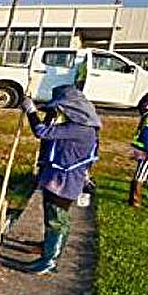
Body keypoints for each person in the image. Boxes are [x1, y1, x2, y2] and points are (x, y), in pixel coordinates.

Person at [20, 84, 101, 274]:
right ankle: (48, 248)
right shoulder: (81, 126)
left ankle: (49, 262)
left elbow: (41, 132)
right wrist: (43, 110)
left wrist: (31, 111)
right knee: (55, 217)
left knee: (56, 219)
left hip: (64, 181)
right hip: (59, 177)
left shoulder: (79, 129)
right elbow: (50, 127)